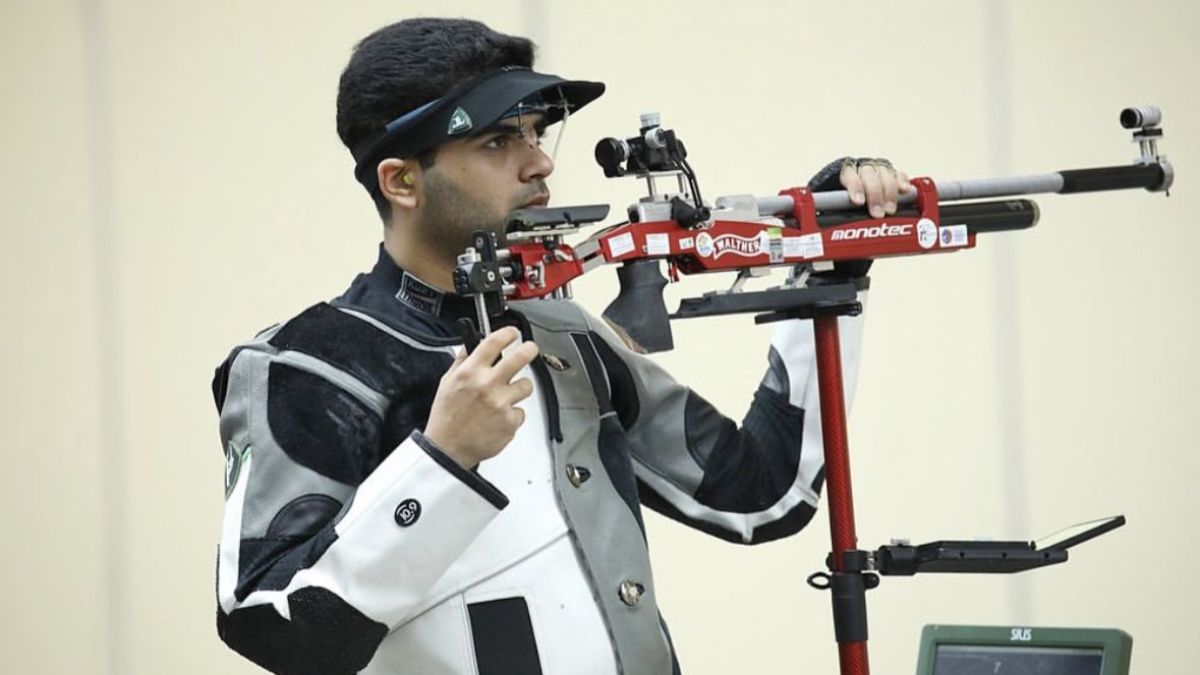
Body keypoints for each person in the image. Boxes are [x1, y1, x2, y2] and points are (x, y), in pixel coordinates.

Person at [211, 17, 911, 675]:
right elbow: (275, 626)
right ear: (401, 180)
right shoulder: (304, 364)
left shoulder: (564, 332)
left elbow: (760, 493)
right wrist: (442, 459)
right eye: (497, 142)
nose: (540, 163)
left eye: (538, 133)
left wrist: (828, 261)